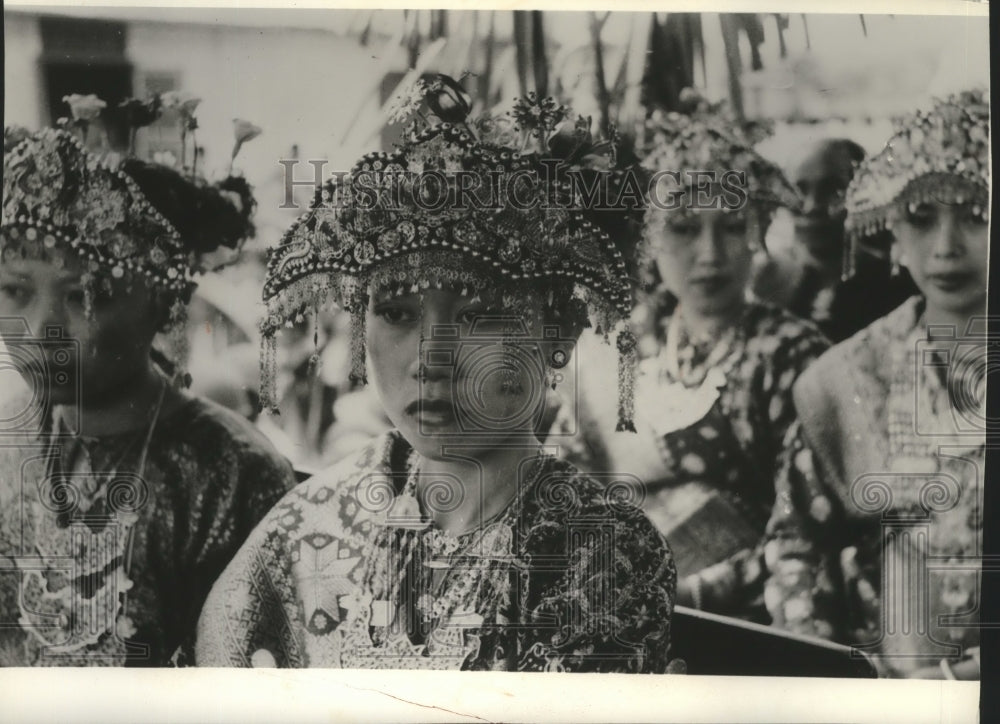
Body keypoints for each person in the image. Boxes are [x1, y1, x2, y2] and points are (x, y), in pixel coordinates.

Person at [195, 76, 677, 671]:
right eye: (396, 313)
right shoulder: (312, 518)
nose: (430, 358)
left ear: (560, 330)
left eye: (478, 315)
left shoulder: (601, 550)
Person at [0, 102, 295, 666]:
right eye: (15, 290)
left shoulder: (233, 475)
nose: (41, 331)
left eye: (88, 296)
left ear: (162, 304)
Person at [550, 97, 830, 626]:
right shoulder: (609, 350)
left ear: (760, 231)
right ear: (651, 237)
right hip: (610, 605)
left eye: (730, 227)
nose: (709, 254)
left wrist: (681, 596)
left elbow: (805, 528)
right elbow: (564, 495)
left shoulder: (794, 354)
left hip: (747, 619)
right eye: (683, 228)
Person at [763, 89, 989, 679]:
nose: (946, 246)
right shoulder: (844, 378)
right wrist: (821, 658)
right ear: (891, 230)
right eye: (921, 217)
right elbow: (795, 544)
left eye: (977, 215)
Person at [752, 138, 917, 342]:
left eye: (832, 189)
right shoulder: (764, 283)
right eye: (799, 189)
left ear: (862, 193)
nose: (812, 205)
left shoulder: (899, 288)